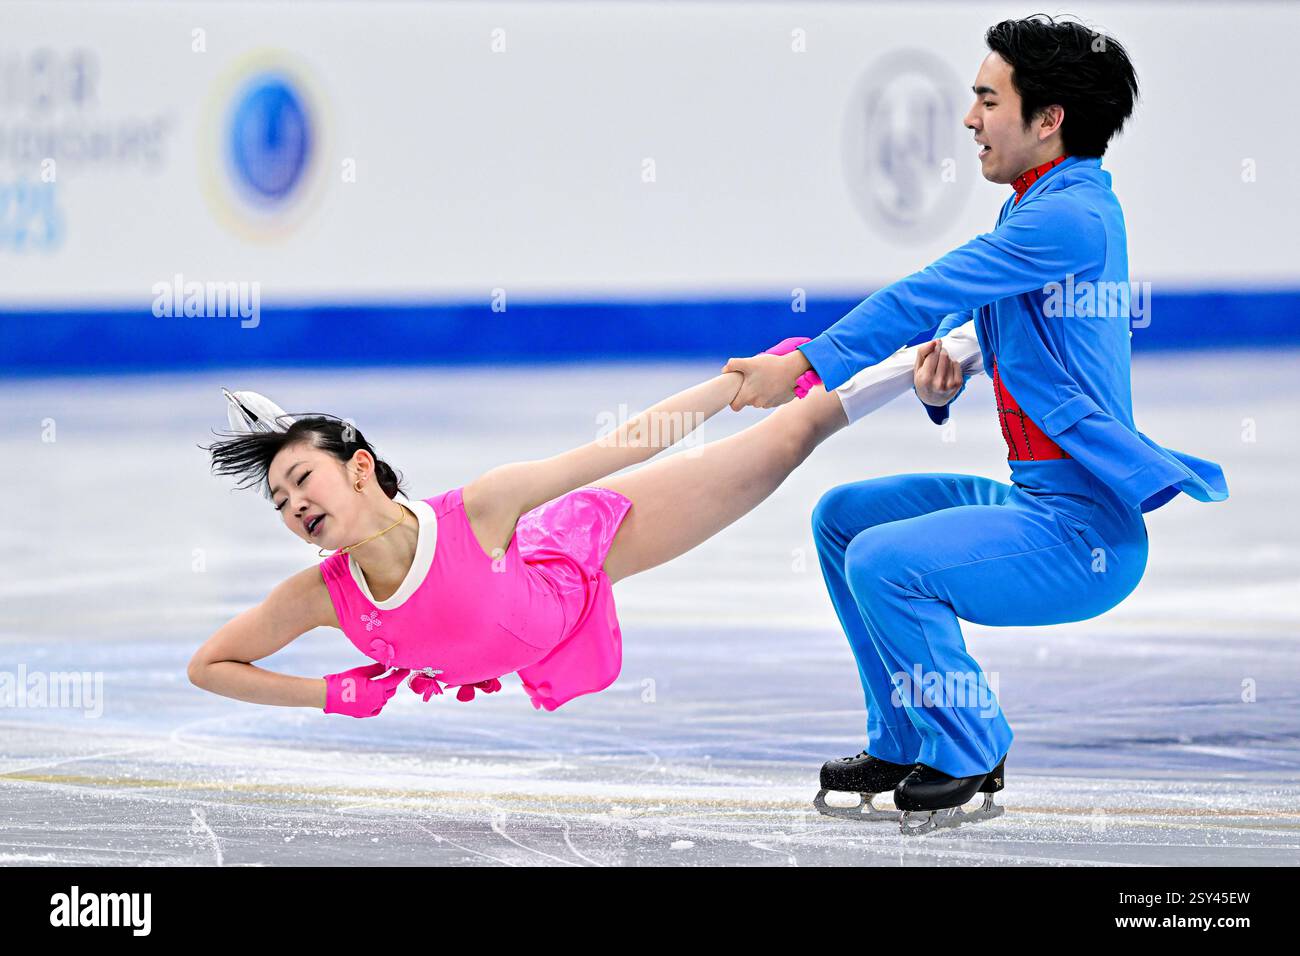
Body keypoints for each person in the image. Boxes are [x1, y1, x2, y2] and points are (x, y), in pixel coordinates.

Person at [722, 15, 1228, 835]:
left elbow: (928, 288)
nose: (969, 120)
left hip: (1083, 533)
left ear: (1049, 117)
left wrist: (805, 364)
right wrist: (950, 368)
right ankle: (905, 734)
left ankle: (970, 742)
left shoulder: (1070, 217)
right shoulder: (1043, 206)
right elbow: (1006, 327)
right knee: (846, 521)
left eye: (988, 100)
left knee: (887, 562)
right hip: (1036, 502)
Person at [188, 331, 980, 722]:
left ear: (359, 466)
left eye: (301, 478)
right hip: (523, 625)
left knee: (785, 439)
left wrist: (740, 382)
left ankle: (936, 350)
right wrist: (328, 694)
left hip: (576, 556)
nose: (292, 505)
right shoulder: (323, 596)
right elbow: (211, 665)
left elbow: (620, 446)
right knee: (786, 446)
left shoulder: (483, 510)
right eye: (279, 499)